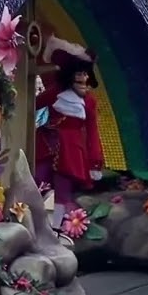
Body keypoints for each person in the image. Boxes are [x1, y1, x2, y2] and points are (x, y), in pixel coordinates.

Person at [34, 38, 104, 230]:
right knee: (37, 182)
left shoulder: (89, 101)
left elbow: (92, 131)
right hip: (47, 145)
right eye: (78, 74)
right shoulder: (55, 92)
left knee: (63, 192)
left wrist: (95, 161)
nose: (82, 79)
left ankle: (56, 230)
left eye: (85, 74)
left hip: (71, 151)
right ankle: (26, 222)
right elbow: (32, 104)